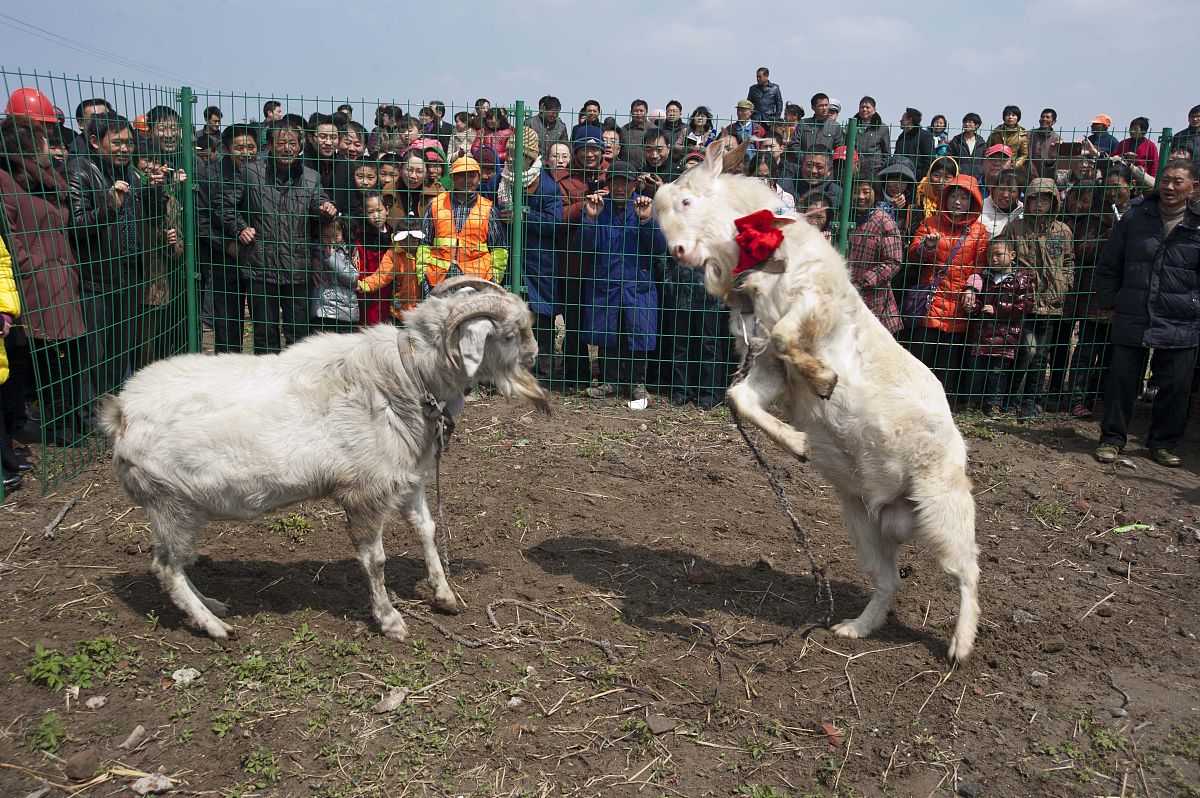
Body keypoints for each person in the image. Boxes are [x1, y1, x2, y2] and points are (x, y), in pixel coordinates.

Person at [1093, 160, 1200, 467]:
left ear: (1193, 188)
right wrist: (1111, 302)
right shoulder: (1136, 217)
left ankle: (1163, 443)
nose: (1169, 187)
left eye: (1177, 182)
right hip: (1133, 311)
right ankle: (1112, 439)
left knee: (1175, 384)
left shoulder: (1197, 223)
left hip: (1181, 317)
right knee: (1122, 380)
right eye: (1165, 180)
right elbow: (1110, 263)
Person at [0, 114, 90, 449]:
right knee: (48, 357)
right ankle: (51, 426)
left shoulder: (41, 181)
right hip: (38, 282)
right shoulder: (6, 181)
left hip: (61, 277)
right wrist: (31, 265)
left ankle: (68, 422)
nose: (50, 148)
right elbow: (10, 236)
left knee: (68, 354)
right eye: (42, 141)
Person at [68, 112, 168, 396]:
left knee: (119, 349)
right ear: (94, 141)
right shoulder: (80, 171)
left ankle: (109, 405)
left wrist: (155, 192)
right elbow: (76, 226)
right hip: (95, 280)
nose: (124, 148)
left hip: (129, 276)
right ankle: (87, 413)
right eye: (116, 142)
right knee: (93, 352)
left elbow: (150, 219)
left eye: (128, 142)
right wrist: (108, 207)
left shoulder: (129, 174)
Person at [223, 119, 338, 353]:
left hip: (297, 267)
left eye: (293, 143)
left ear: (301, 146)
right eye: (282, 142)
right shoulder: (250, 172)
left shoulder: (311, 177)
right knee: (265, 333)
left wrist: (327, 207)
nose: (288, 148)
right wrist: (240, 228)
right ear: (270, 146)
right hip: (260, 267)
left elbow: (321, 202)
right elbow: (225, 206)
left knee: (298, 333)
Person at [577, 160, 666, 405]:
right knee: (609, 332)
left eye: (624, 183)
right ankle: (610, 380)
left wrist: (647, 221)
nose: (618, 188)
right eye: (614, 182)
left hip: (638, 284)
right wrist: (590, 219)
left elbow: (659, 248)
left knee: (637, 332)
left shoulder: (645, 208)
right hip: (607, 282)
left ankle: (637, 383)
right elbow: (583, 248)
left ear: (634, 185)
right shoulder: (599, 208)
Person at [905, 175, 990, 397]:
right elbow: (914, 255)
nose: (958, 202)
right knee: (922, 357)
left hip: (959, 306)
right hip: (931, 303)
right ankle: (915, 399)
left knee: (948, 361)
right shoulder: (930, 223)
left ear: (973, 202)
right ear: (946, 197)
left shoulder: (979, 231)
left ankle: (944, 404)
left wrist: (972, 289)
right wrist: (928, 246)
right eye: (954, 196)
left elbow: (980, 267)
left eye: (964, 197)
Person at [1001, 178, 1075, 418]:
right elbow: (1004, 259)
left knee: (1041, 355)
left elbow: (1069, 262)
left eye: (1045, 199)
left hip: (1052, 302)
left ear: (1054, 202)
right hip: (1024, 302)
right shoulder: (1015, 227)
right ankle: (1010, 397)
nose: (1039, 204)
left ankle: (1030, 402)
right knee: (1025, 350)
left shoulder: (1062, 231)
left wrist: (1064, 284)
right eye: (1034, 199)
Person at [662, 154, 730, 411]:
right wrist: (670, 280)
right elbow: (665, 252)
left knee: (709, 344)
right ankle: (681, 390)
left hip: (708, 292)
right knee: (680, 342)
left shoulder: (715, 213)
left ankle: (709, 393)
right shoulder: (674, 214)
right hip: (680, 288)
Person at [961, 238, 1033, 416]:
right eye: (990, 255)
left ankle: (994, 404)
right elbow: (979, 302)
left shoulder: (1022, 279)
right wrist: (973, 307)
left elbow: (1024, 306)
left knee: (997, 372)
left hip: (1005, 336)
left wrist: (997, 309)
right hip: (981, 333)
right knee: (976, 371)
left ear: (1012, 255)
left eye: (999, 254)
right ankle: (971, 403)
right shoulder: (984, 277)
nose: (993, 259)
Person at [417, 156, 507, 295]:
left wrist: (493, 281)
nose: (467, 180)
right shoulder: (435, 205)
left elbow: (499, 249)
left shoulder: (488, 209)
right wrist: (422, 278)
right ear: (452, 178)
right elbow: (424, 244)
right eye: (461, 176)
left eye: (471, 175)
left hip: (477, 283)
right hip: (438, 281)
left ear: (478, 178)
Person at [847, 181, 903, 335]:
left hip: (874, 299)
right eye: (856, 192)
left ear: (875, 193)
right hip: (844, 296)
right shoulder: (844, 216)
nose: (860, 197)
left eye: (866, 191)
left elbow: (893, 261)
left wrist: (863, 282)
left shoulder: (884, 222)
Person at [353, 192, 395, 326]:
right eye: (370, 212)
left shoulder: (394, 234)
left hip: (388, 289)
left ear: (387, 210)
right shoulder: (360, 237)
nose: (376, 216)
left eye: (379, 210)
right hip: (366, 291)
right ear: (364, 213)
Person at [311, 216, 359, 333]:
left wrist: (331, 259)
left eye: (336, 236)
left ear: (342, 234)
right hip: (322, 311)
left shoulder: (348, 251)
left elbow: (353, 278)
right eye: (326, 237)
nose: (331, 241)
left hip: (345, 312)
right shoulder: (314, 252)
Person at [791, 93, 844, 157]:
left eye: (826, 105)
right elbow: (794, 144)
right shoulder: (804, 124)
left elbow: (839, 148)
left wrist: (829, 162)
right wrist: (805, 158)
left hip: (825, 164)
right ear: (813, 108)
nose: (824, 108)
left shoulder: (835, 126)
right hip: (805, 163)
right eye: (821, 106)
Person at [979, 168, 1024, 238]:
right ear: (993, 189)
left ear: (1019, 194)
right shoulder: (979, 208)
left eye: (1012, 191)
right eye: (1001, 189)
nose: (1005, 195)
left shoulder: (1023, 211)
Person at [854, 96, 890, 182]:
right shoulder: (853, 126)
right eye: (862, 107)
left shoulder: (882, 128)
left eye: (867, 107)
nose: (864, 110)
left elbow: (886, 153)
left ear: (874, 110)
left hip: (874, 171)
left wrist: (880, 168)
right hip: (855, 170)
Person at [894, 108, 935, 179]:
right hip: (900, 177)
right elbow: (896, 157)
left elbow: (929, 160)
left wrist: (919, 177)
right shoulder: (901, 137)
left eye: (903, 118)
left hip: (918, 179)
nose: (900, 121)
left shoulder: (925, 136)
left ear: (910, 120)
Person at [619, 99, 657, 169]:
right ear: (631, 112)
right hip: (625, 170)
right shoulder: (623, 129)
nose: (639, 113)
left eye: (641, 111)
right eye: (636, 111)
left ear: (646, 112)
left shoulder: (653, 129)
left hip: (646, 169)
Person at [946, 112, 985, 180]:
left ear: (977, 125)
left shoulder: (981, 143)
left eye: (970, 122)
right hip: (959, 176)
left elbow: (984, 161)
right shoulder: (956, 140)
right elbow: (949, 158)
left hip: (977, 178)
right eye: (965, 122)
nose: (967, 124)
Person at [527, 95, 568, 160]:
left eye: (557, 113)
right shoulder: (530, 123)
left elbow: (565, 146)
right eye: (553, 112)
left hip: (553, 163)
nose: (555, 115)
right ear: (544, 108)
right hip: (533, 162)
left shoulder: (561, 127)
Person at [1027, 108, 1061, 178]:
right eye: (1042, 117)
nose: (1044, 119)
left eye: (1047, 117)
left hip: (1047, 178)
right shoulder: (1029, 134)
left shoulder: (1056, 139)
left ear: (1054, 122)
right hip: (1028, 177)